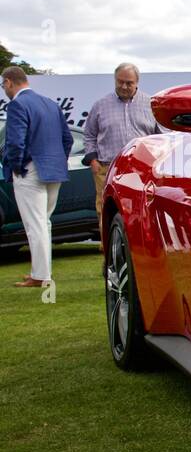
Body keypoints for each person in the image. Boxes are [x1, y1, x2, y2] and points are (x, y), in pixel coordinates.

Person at [2, 67, 72, 288]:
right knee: (44, 223)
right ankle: (41, 272)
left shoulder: (17, 105)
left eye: (3, 85)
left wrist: (16, 166)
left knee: (36, 224)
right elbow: (67, 139)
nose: (4, 89)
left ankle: (42, 276)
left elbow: (15, 142)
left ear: (10, 82)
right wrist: (58, 160)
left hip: (30, 169)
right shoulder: (51, 104)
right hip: (54, 169)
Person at [82, 62, 159, 221]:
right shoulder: (100, 106)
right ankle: (107, 246)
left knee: (141, 210)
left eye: (129, 83)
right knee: (106, 211)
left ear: (137, 82)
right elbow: (89, 135)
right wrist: (93, 162)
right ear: (115, 80)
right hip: (108, 168)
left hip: (141, 169)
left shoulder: (151, 105)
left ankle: (137, 246)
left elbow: (162, 138)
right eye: (120, 82)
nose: (124, 86)